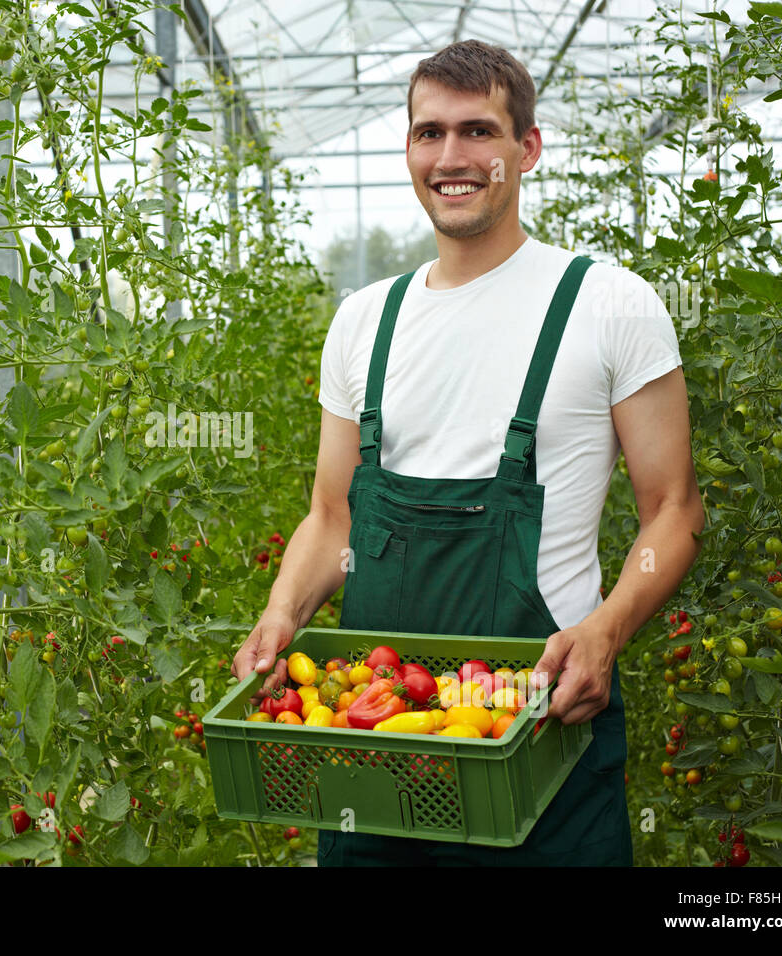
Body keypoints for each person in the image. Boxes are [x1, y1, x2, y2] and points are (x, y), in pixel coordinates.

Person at [230, 39, 705, 866]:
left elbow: (675, 510)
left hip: (541, 745)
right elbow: (330, 516)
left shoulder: (607, 305)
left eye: (478, 131)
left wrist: (605, 632)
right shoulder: (364, 322)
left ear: (526, 149)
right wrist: (281, 614)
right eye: (429, 133)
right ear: (410, 149)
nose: (451, 157)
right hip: (371, 747)